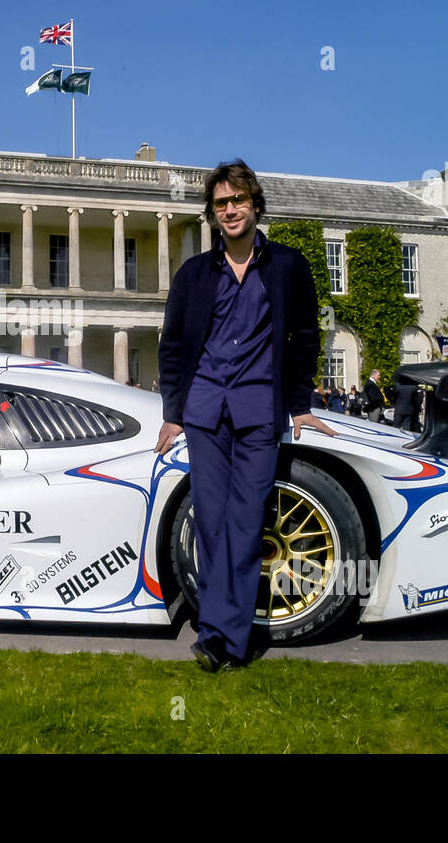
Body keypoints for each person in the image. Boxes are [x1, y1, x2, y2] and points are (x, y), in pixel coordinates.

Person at [156, 158, 334, 673]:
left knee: (244, 519)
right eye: (220, 204)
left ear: (255, 204)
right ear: (212, 215)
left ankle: (219, 637)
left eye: (238, 200)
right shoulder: (193, 274)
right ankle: (223, 634)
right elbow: (174, 347)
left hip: (260, 410)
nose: (230, 210)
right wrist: (173, 413)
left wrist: (300, 406)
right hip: (206, 411)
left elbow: (304, 339)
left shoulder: (288, 266)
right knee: (211, 521)